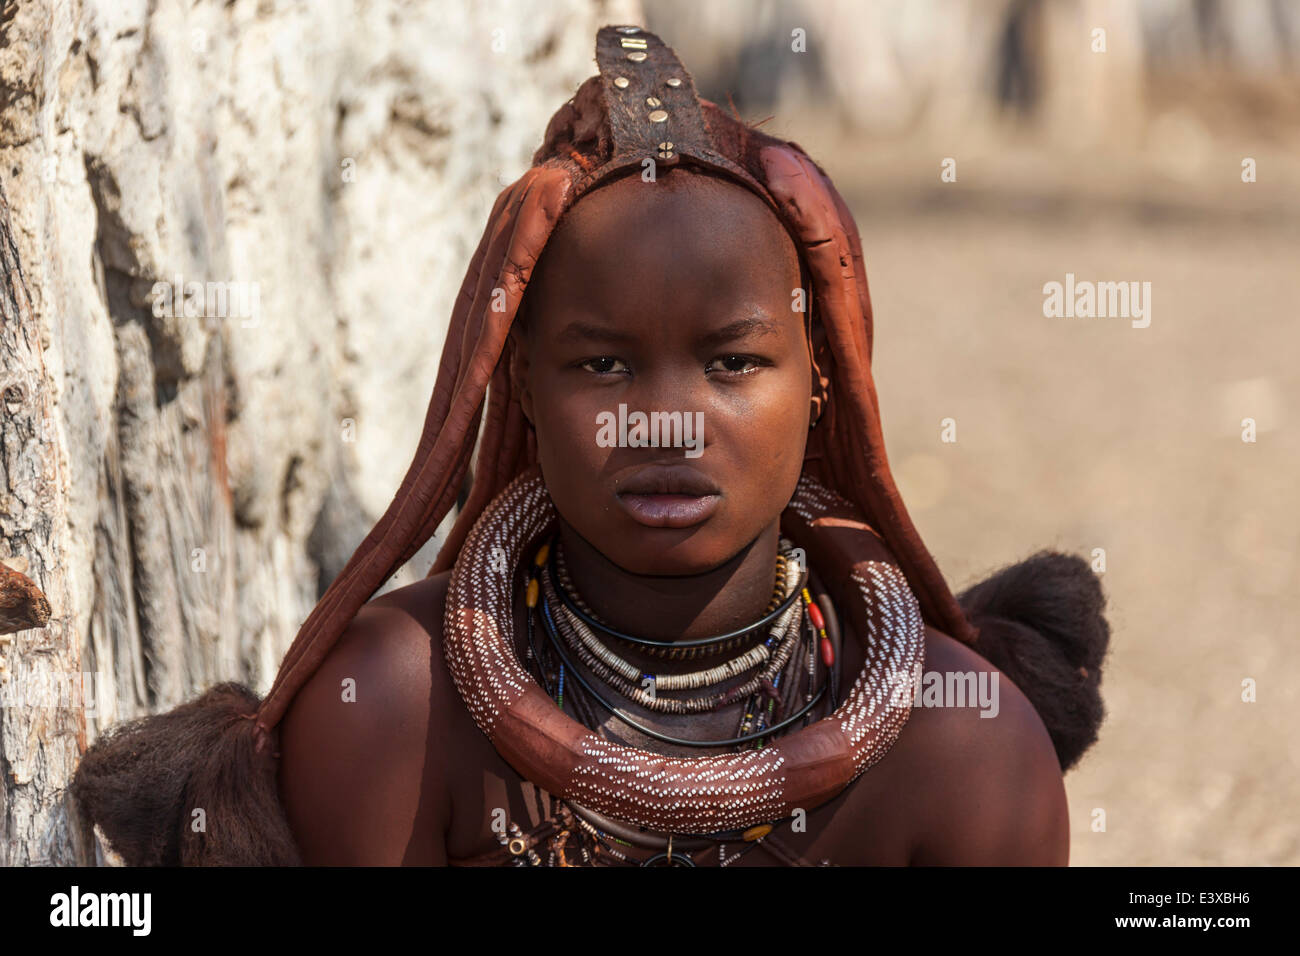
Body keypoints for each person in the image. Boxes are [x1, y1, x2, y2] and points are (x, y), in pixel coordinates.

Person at [72, 26, 1108, 867]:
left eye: (734, 363)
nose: (665, 421)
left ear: (823, 378)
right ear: (522, 381)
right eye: (602, 366)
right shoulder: (394, 709)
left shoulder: (964, 746)